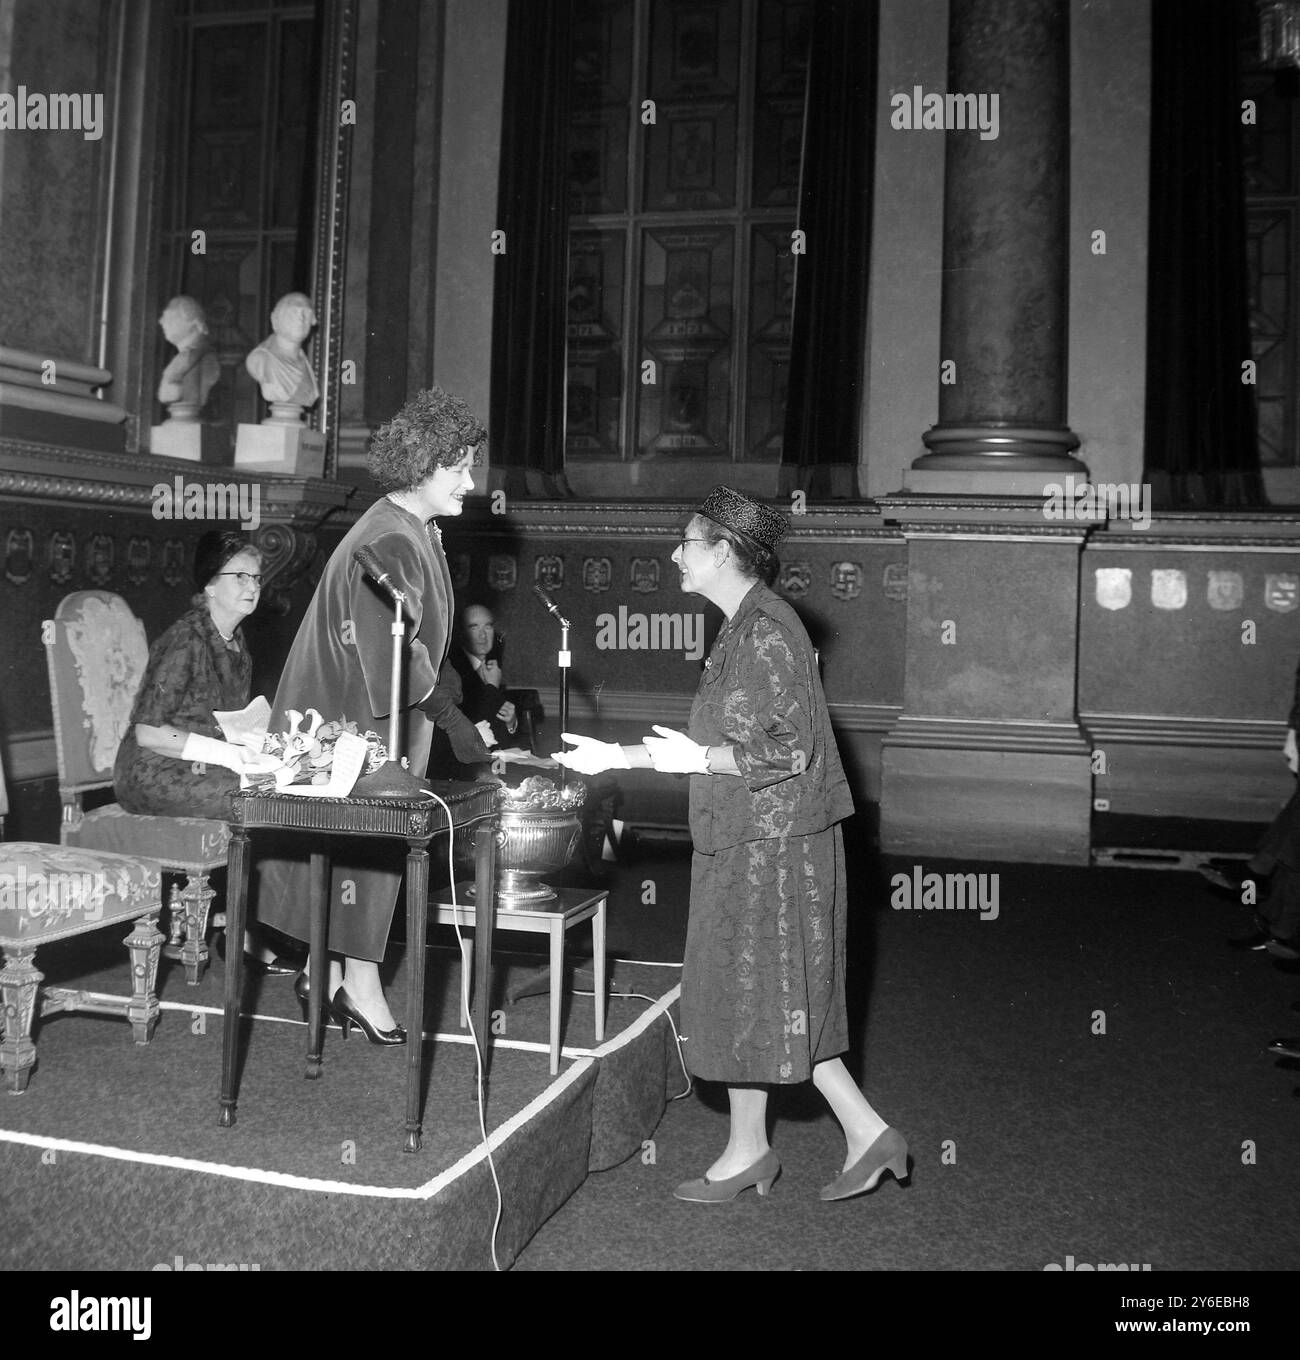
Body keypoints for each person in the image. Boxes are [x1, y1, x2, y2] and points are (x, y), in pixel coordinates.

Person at [556, 486, 907, 1202]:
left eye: (686, 543)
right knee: (756, 995)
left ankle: (867, 1133)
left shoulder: (768, 629)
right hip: (750, 837)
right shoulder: (745, 625)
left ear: (722, 554)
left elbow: (789, 748)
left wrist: (690, 761)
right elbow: (719, 745)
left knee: (774, 996)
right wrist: (619, 757)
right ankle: (755, 1148)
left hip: (774, 849)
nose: (676, 554)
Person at [255, 387, 492, 1044]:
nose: (472, 483)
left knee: (371, 848)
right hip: (336, 727)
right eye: (461, 468)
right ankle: (353, 982)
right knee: (376, 841)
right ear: (422, 464)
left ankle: (332, 974)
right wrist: (452, 721)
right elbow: (390, 659)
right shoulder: (389, 539)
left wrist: (457, 708)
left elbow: (421, 642)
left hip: (363, 719)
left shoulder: (412, 526)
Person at [113, 530, 290, 971]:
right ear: (210, 585)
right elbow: (149, 732)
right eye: (241, 577)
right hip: (151, 770)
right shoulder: (186, 640)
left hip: (198, 761)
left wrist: (262, 746)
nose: (253, 586)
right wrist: (234, 757)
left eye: (257, 578)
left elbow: (227, 723)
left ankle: (248, 930)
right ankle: (244, 933)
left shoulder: (235, 643)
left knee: (280, 782)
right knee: (258, 795)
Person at [428, 604, 519, 779]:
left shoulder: (492, 668)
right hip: (460, 774)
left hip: (495, 769)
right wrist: (492, 687)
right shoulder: (451, 668)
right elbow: (470, 726)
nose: (483, 635)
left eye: (488, 626)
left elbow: (496, 729)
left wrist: (511, 723)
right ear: (461, 632)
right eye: (473, 627)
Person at [245, 292, 319, 412]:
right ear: (275, 319)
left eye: (306, 313)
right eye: (293, 312)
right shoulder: (261, 359)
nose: (300, 319)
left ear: (313, 321)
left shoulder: (304, 363)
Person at [157, 295, 221, 413]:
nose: (161, 322)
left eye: (170, 317)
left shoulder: (190, 357)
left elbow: (167, 395)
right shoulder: (192, 354)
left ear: (192, 322)